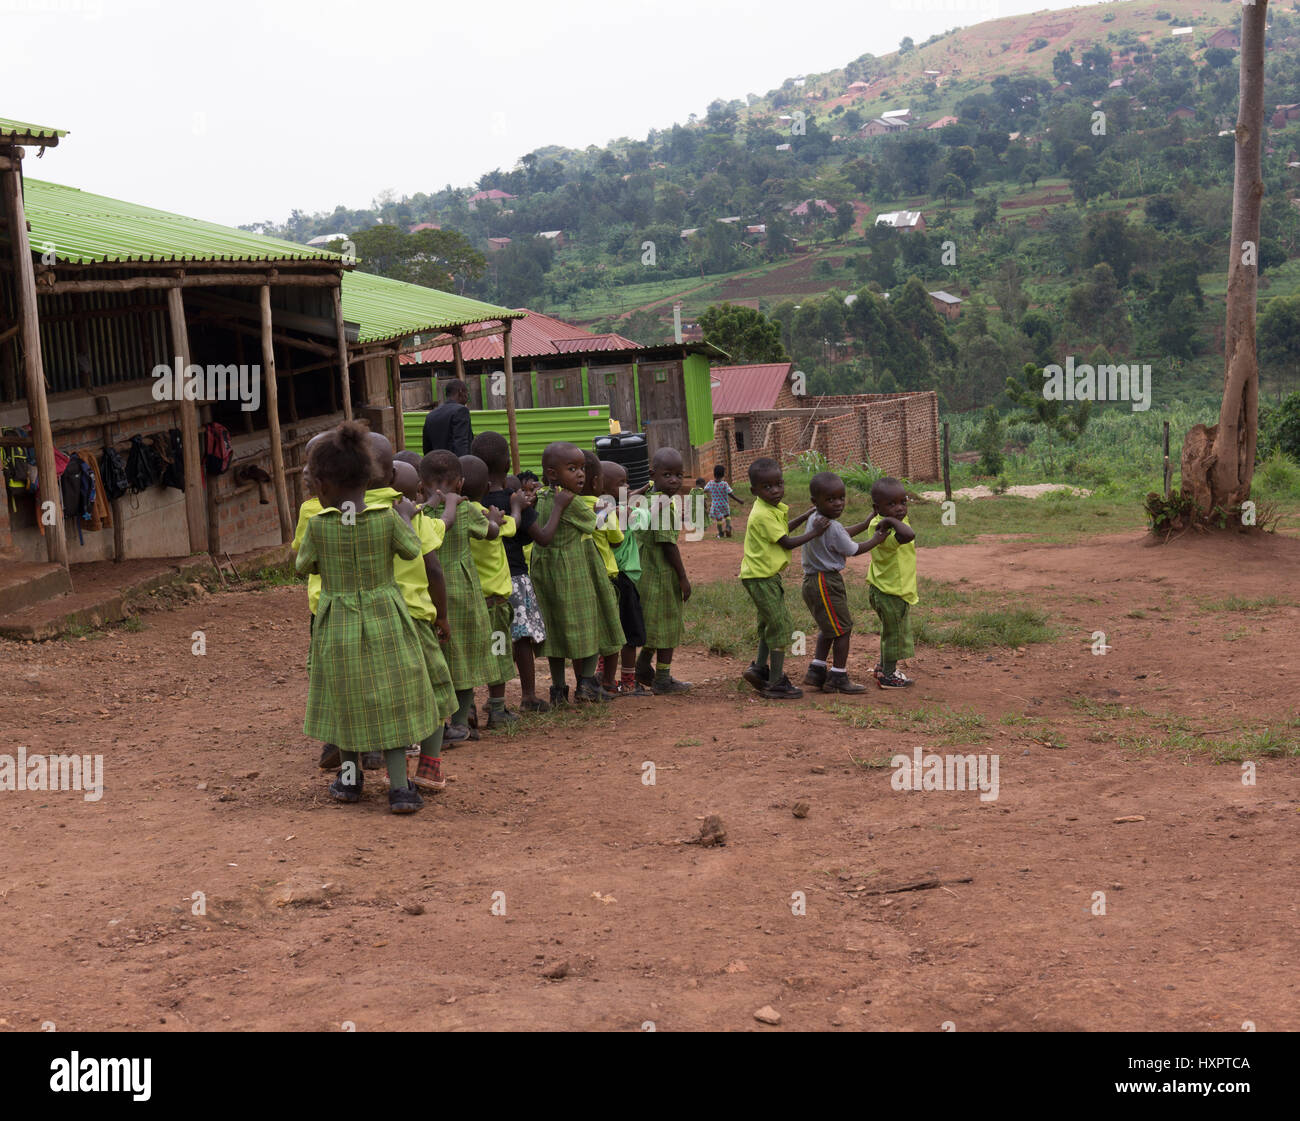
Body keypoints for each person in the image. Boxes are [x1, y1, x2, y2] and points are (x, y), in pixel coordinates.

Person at [294, 422, 435, 814]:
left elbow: (303, 565)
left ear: (320, 485)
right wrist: (406, 514)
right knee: (391, 697)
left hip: (337, 621)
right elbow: (411, 551)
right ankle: (401, 787)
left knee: (347, 697)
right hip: (386, 617)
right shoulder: (387, 518)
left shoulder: (320, 526)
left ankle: (351, 780)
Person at [471, 433, 565, 714]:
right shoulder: (516, 502)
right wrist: (557, 507)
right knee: (522, 638)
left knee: (495, 638)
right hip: (515, 582)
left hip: (484, 584)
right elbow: (543, 538)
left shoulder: (474, 505)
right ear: (509, 463)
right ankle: (527, 696)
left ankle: (492, 698)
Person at [419, 450, 501, 742]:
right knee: (464, 652)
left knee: (437, 654)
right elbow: (490, 533)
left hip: (429, 590)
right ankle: (461, 722)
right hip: (463, 590)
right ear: (461, 484)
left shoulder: (419, 512)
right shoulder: (466, 511)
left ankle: (437, 723)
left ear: (420, 485)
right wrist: (493, 518)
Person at [391, 461, 458, 791]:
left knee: (393, 692)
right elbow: (433, 569)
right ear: (414, 492)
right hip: (417, 618)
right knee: (434, 688)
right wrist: (442, 615)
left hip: (379, 618)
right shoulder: (415, 519)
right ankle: (429, 767)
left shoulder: (362, 517)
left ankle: (396, 769)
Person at [739, 456, 826, 700]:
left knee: (769, 622)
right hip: (760, 577)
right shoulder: (763, 515)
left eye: (779, 484)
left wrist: (809, 514)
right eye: (767, 487)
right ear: (754, 490)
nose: (776, 490)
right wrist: (815, 531)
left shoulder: (769, 509)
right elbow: (786, 541)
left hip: (763, 576)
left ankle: (759, 668)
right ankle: (776, 681)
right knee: (780, 625)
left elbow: (784, 528)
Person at [800, 471, 895, 694]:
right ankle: (838, 677)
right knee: (843, 629)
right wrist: (876, 539)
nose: (838, 503)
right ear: (815, 501)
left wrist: (865, 523)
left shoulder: (817, 519)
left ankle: (817, 670)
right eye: (831, 499)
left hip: (814, 581)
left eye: (841, 498)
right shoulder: (830, 526)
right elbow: (853, 549)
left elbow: (841, 535)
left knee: (829, 627)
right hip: (826, 582)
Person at [529, 442, 609, 705]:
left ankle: (558, 688)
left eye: (582, 468)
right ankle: (586, 683)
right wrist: (603, 511)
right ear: (552, 474)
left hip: (544, 573)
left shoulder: (540, 497)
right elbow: (592, 525)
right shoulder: (570, 502)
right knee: (586, 624)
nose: (580, 474)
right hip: (571, 571)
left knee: (554, 629)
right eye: (572, 468)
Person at [461, 451, 520, 729]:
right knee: (497, 653)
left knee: (470, 654)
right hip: (494, 603)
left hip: (470, 601)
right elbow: (510, 529)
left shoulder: (454, 515)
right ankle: (497, 710)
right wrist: (515, 509)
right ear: (486, 488)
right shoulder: (485, 517)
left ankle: (468, 709)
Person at [633, 447, 692, 695]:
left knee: (651, 621)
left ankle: (643, 666)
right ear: (653, 474)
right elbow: (668, 545)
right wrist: (682, 577)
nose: (674, 481)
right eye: (668, 475)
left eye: (679, 475)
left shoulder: (643, 498)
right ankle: (663, 678)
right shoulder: (664, 505)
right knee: (667, 623)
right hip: (661, 572)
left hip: (641, 571)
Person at [599, 460, 650, 697]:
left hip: (606, 578)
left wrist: (631, 494)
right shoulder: (622, 513)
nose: (627, 485)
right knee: (630, 634)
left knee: (607, 630)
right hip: (624, 579)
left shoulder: (598, 509)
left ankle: (602, 675)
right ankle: (628, 682)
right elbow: (643, 517)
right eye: (622, 483)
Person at [578, 448, 625, 698]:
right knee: (611, 630)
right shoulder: (604, 508)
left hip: (580, 577)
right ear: (597, 482)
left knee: (587, 631)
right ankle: (608, 681)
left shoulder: (571, 506)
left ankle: (583, 681)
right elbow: (617, 540)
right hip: (606, 575)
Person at [865, 477, 918, 689]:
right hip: (889, 591)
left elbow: (903, 525)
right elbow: (908, 534)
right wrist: (888, 521)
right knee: (894, 634)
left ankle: (882, 666)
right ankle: (888, 675)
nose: (899, 509)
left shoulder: (893, 520)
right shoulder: (882, 530)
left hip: (893, 588)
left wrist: (890, 517)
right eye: (892, 504)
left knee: (891, 631)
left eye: (903, 503)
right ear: (877, 508)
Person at [422, 378, 474, 457]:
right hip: (454, 465)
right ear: (460, 391)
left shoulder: (431, 415)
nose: (467, 396)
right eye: (467, 392)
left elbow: (427, 448)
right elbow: (461, 443)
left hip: (436, 464)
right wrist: (463, 465)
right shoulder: (461, 410)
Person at [703, 464, 744, 539]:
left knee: (719, 519)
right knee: (727, 516)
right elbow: (730, 494)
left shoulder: (711, 483)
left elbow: (704, 490)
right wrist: (739, 500)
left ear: (714, 474)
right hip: (724, 504)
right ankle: (728, 527)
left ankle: (720, 533)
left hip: (716, 506)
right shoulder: (724, 484)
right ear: (723, 474)